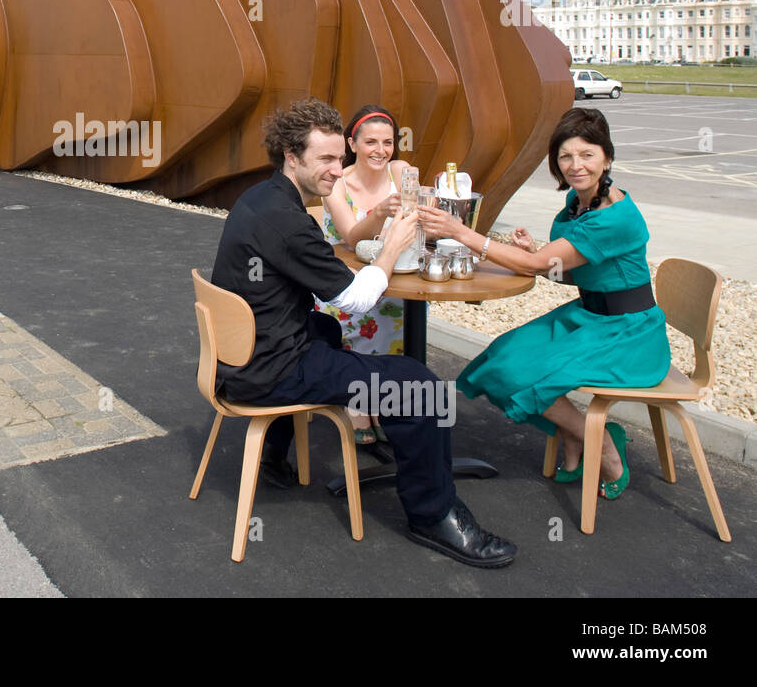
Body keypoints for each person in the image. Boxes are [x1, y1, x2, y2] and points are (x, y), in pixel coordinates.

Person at [211, 97, 517, 568]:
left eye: (339, 157)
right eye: (327, 159)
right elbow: (354, 298)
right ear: (292, 157)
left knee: (327, 330)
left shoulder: (261, 198)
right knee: (418, 387)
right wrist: (392, 247)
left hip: (241, 357)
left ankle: (274, 453)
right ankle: (433, 517)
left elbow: (326, 291)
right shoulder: (288, 222)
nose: (338, 169)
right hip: (270, 370)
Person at [418, 107, 668, 501]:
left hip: (628, 331)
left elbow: (540, 267)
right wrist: (537, 254)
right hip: (591, 316)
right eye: (565, 156)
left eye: (587, 154)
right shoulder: (577, 202)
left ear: (607, 157)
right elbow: (566, 271)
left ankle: (598, 442)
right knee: (502, 358)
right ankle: (575, 434)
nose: (575, 165)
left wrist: (460, 231)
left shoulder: (614, 217)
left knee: (520, 370)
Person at [318, 105, 410, 443]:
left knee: (402, 310)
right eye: (371, 142)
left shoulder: (401, 171)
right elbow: (351, 235)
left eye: (388, 142)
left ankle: (384, 403)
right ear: (352, 144)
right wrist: (380, 212)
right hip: (345, 281)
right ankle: (358, 405)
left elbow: (423, 214)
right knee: (367, 313)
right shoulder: (337, 181)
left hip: (394, 279)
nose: (381, 150)